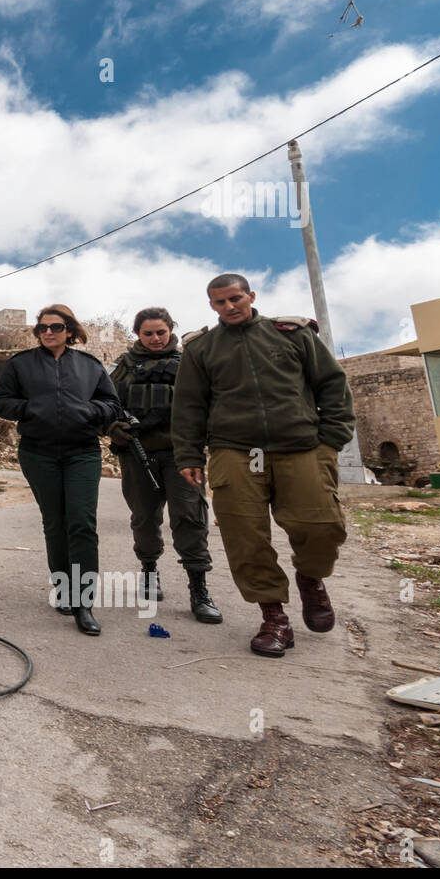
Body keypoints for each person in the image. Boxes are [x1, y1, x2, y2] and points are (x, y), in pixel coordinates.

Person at [171, 273, 356, 657]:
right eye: (220, 302)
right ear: (211, 306)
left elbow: (332, 385)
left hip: (301, 447)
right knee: (245, 537)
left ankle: (310, 577)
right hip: (235, 450)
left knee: (321, 527)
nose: (229, 306)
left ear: (251, 296)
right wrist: (189, 455)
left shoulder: (292, 334)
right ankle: (274, 617)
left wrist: (331, 440)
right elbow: (188, 405)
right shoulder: (201, 348)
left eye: (235, 298)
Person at [0, 305, 121, 635]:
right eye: (42, 328)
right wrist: (33, 407)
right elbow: (1, 402)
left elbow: (111, 405)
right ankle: (62, 588)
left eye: (56, 327)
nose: (48, 332)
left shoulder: (90, 366)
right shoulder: (20, 364)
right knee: (55, 522)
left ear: (70, 330)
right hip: (38, 453)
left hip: (82, 452)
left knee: (81, 523)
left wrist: (89, 411)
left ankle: (83, 603)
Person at [108, 307, 222, 623]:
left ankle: (199, 589)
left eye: (161, 332)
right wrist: (112, 428)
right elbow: (103, 404)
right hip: (138, 453)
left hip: (182, 454)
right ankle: (149, 570)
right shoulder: (123, 366)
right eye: (148, 333)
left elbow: (210, 403)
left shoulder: (191, 363)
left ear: (171, 329)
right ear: (138, 335)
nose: (156, 339)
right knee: (144, 518)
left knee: (190, 517)